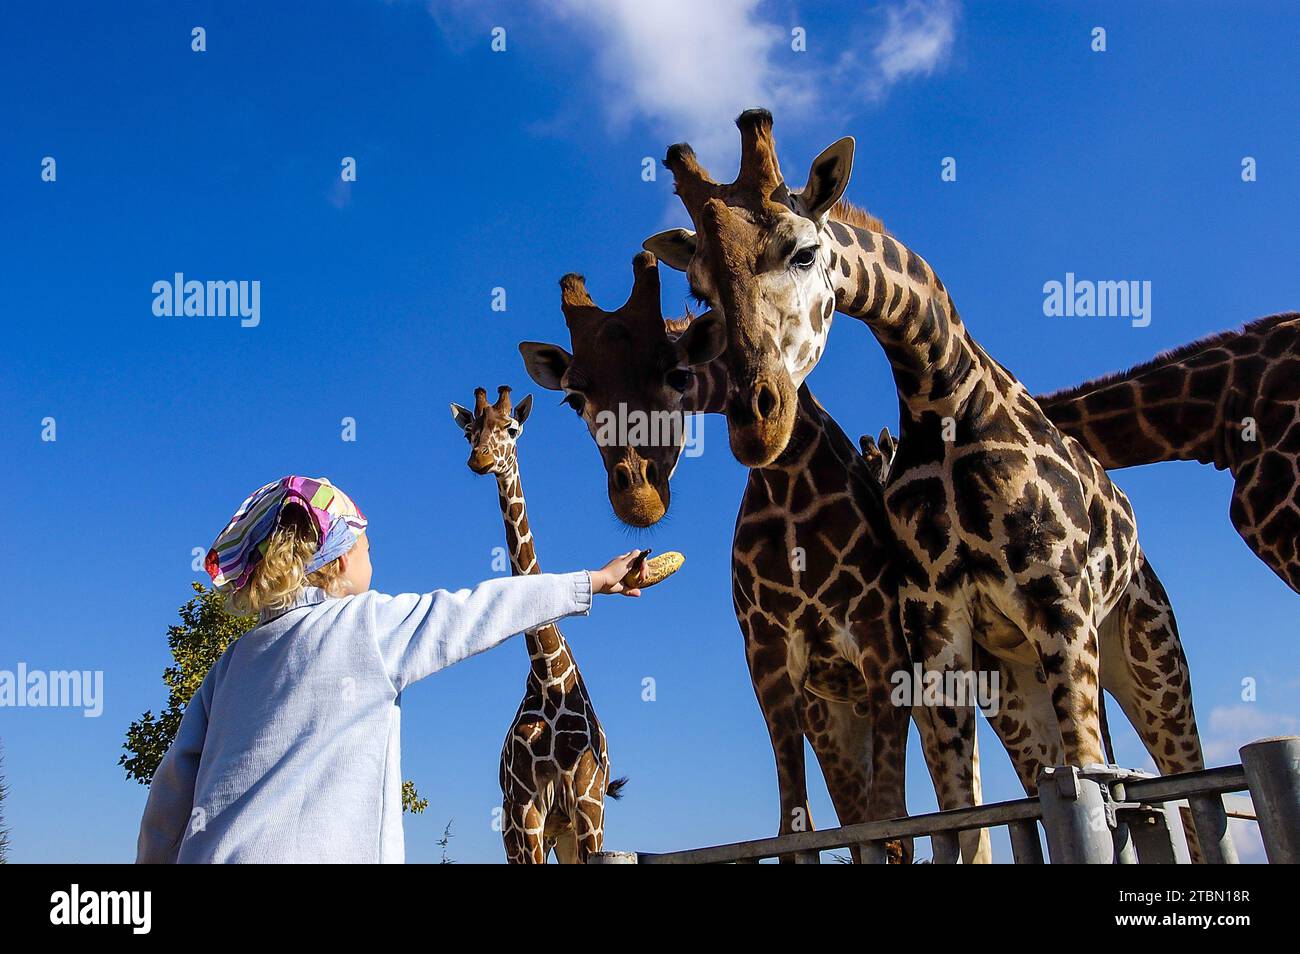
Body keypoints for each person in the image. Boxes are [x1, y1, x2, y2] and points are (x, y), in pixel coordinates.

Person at [136, 475, 645, 863]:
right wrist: (591, 582)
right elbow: (477, 609)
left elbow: (171, 795)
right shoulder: (366, 626)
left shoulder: (231, 664)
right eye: (365, 548)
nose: (372, 560)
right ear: (336, 562)